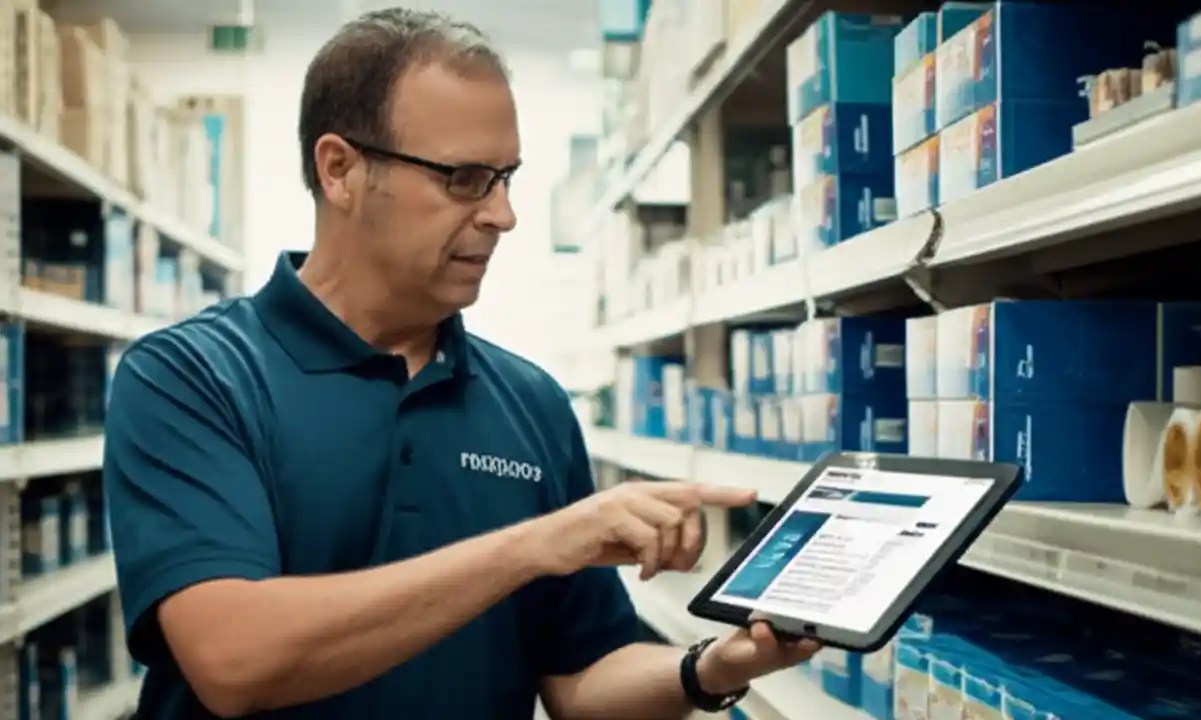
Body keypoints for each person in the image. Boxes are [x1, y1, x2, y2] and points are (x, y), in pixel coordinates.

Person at [103, 8, 818, 719]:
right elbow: (235, 659)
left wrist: (712, 668)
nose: (503, 215)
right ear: (340, 170)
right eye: (467, 178)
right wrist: (535, 546)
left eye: (506, 177)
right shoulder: (189, 378)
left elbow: (579, 683)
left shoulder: (529, 402)